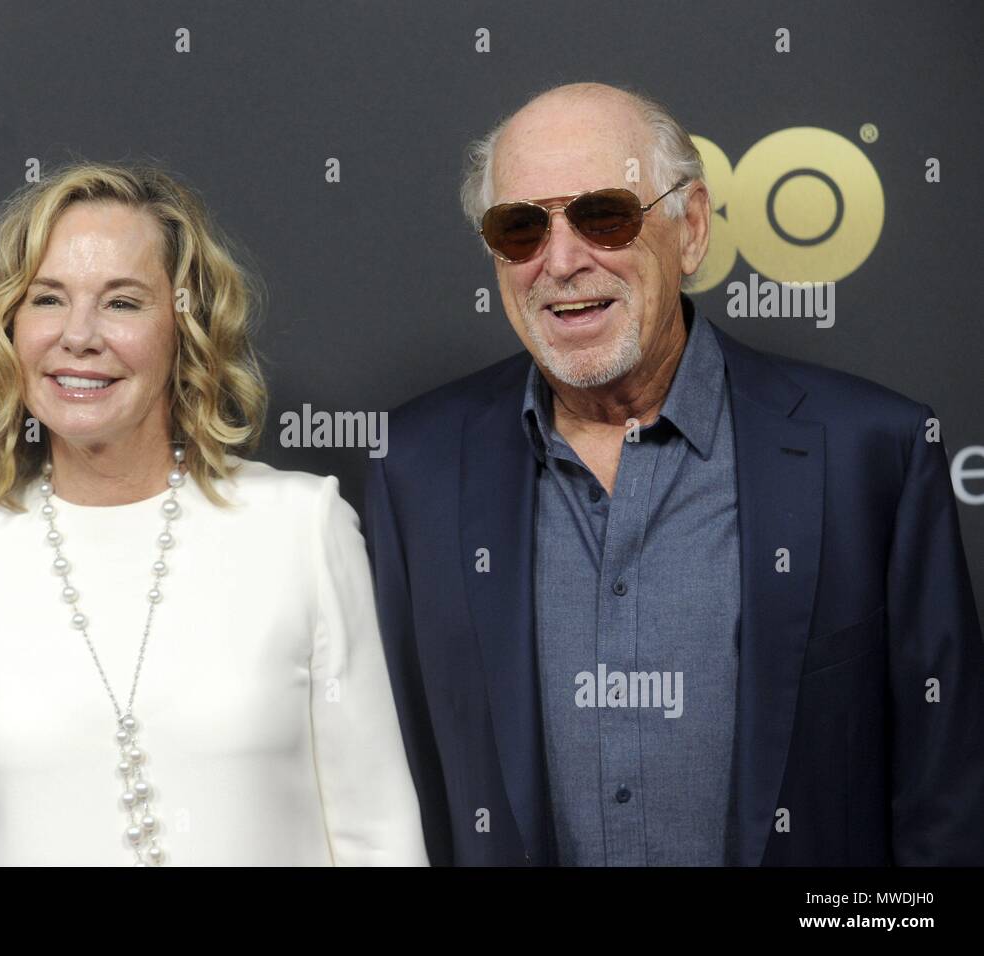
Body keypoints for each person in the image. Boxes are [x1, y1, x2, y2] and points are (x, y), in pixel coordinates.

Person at [363, 81, 984, 866]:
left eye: (604, 216)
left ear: (690, 229)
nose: (560, 261)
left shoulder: (872, 452)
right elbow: (388, 788)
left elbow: (948, 803)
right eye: (521, 227)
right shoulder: (417, 468)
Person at [0, 161, 427, 866]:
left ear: (185, 328)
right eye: (48, 298)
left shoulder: (300, 526)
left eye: (122, 302)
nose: (79, 335)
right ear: (10, 327)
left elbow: (378, 834)